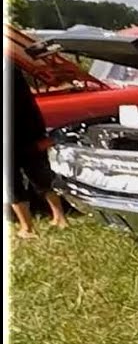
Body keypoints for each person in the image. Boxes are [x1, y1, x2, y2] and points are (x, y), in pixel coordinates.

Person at [6, 61, 69, 238]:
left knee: (12, 181)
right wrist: (41, 135)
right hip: (28, 131)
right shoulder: (10, 68)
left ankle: (27, 228)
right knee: (39, 173)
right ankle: (60, 218)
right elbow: (29, 104)